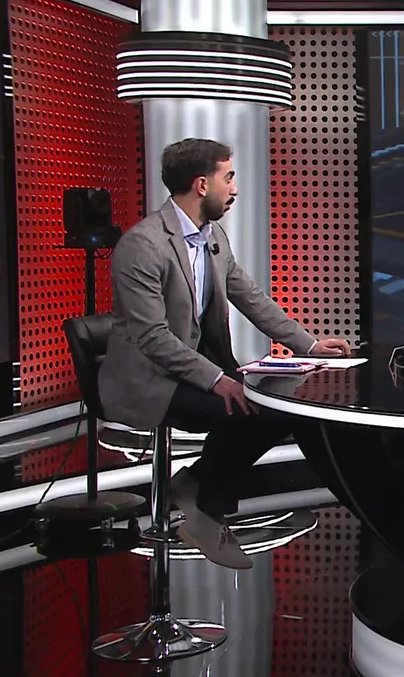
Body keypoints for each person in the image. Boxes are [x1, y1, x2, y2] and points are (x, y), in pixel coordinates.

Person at [100, 138, 352, 569]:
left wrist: (308, 345)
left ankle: (196, 488)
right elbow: (153, 337)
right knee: (248, 410)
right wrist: (217, 380)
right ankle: (204, 509)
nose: (234, 188)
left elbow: (250, 297)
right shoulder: (143, 246)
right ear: (202, 185)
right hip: (147, 378)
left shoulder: (212, 236)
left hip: (192, 367)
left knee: (279, 406)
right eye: (228, 177)